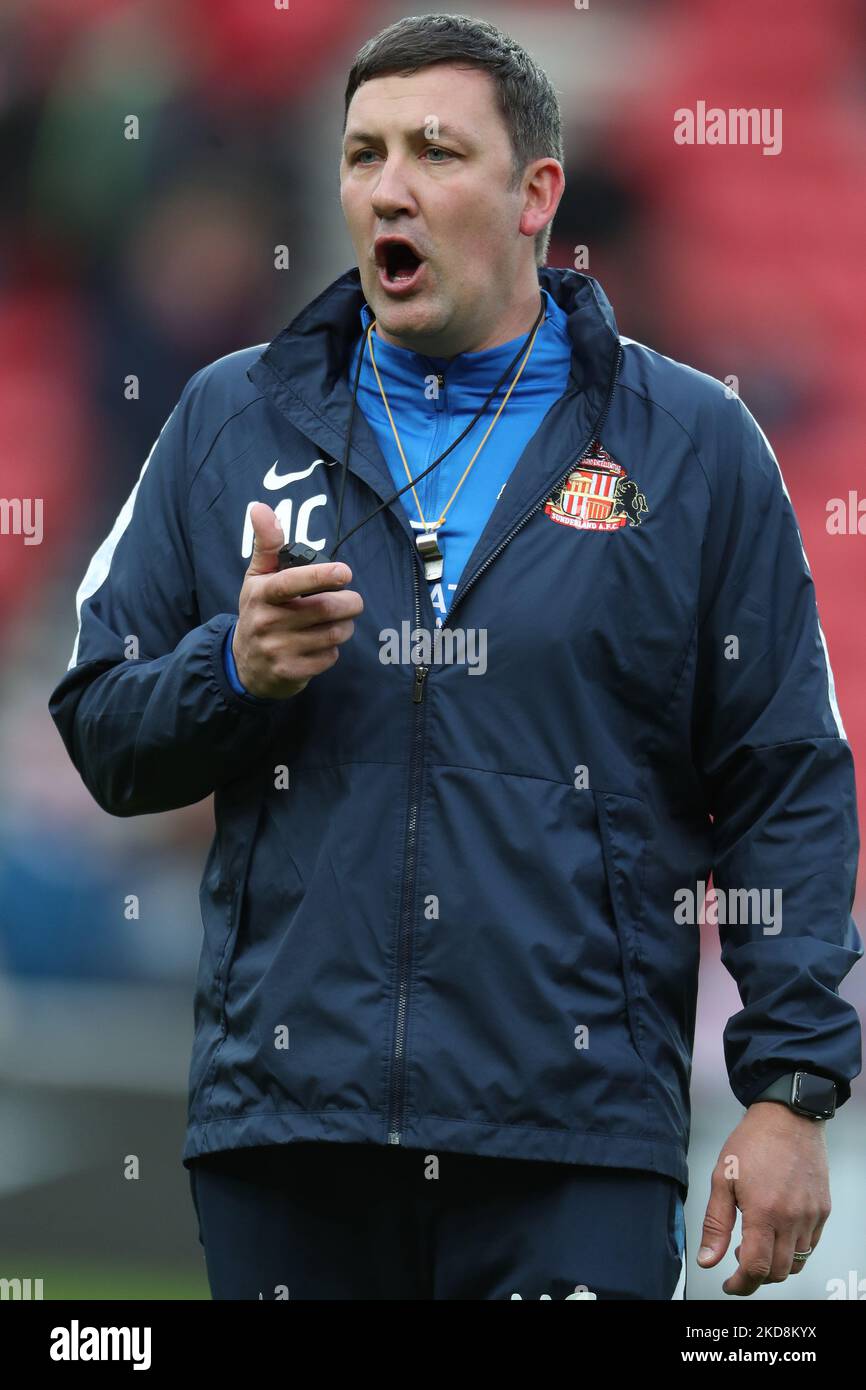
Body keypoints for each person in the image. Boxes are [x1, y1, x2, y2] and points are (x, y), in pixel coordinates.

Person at [48, 13, 862, 1301]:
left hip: (573, 1138)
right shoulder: (224, 421)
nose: (390, 187)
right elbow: (102, 728)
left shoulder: (693, 445)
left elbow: (785, 780)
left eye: (435, 150)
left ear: (536, 194)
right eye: (364, 153)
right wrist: (235, 670)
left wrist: (793, 1090)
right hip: (290, 1130)